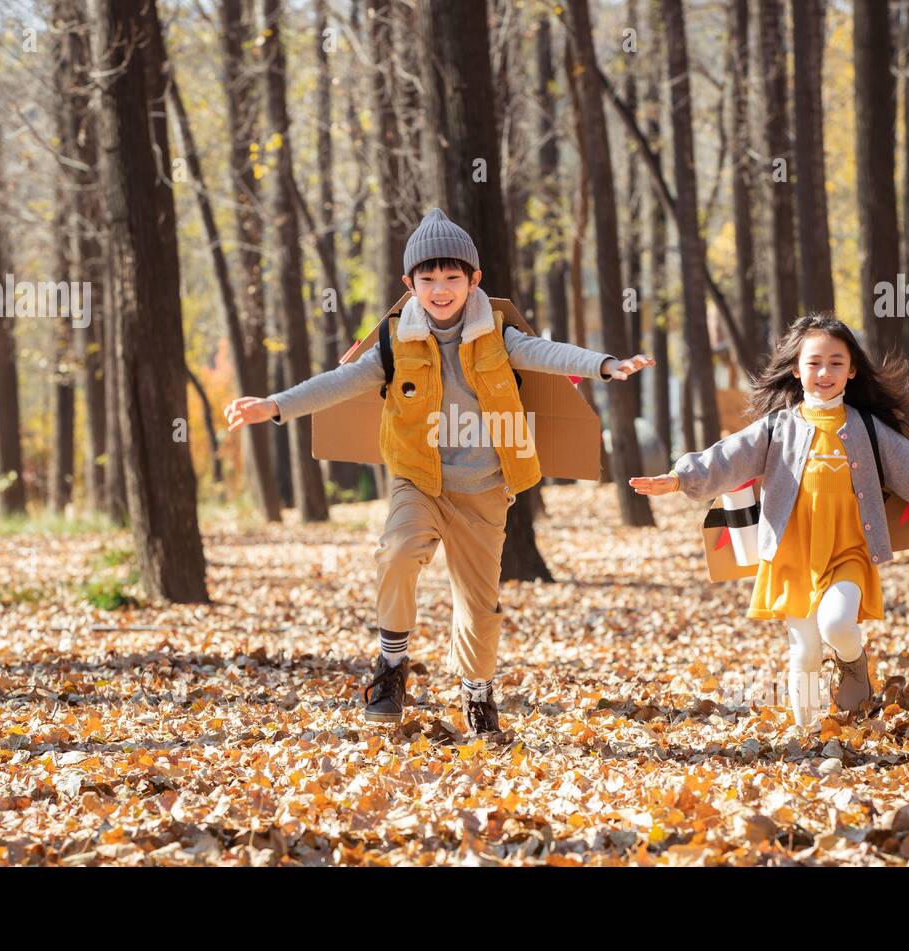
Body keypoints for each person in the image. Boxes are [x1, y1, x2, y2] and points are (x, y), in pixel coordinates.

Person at [225, 208, 653, 735]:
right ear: (410, 285)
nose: (441, 289)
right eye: (428, 279)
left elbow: (546, 352)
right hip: (419, 478)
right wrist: (273, 405)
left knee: (479, 604)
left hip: (485, 488)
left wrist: (605, 365)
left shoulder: (496, 332)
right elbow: (339, 384)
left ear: (474, 280)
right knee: (399, 552)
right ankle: (391, 664)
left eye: (453, 278)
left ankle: (477, 696)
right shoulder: (393, 340)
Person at [630, 313, 909, 729]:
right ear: (796, 370)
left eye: (835, 362)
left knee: (837, 626)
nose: (824, 372)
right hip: (792, 553)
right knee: (805, 651)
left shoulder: (867, 428)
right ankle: (808, 734)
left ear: (851, 371)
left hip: (848, 549)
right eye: (814, 362)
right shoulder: (778, 427)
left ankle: (854, 662)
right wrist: (679, 478)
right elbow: (729, 455)